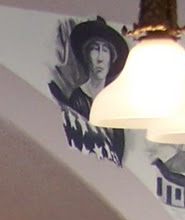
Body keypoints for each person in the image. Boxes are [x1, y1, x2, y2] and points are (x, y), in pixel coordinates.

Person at [47, 18, 128, 163]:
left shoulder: (114, 109)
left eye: (105, 50)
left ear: (111, 58)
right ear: (87, 56)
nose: (100, 58)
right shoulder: (78, 99)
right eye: (95, 49)